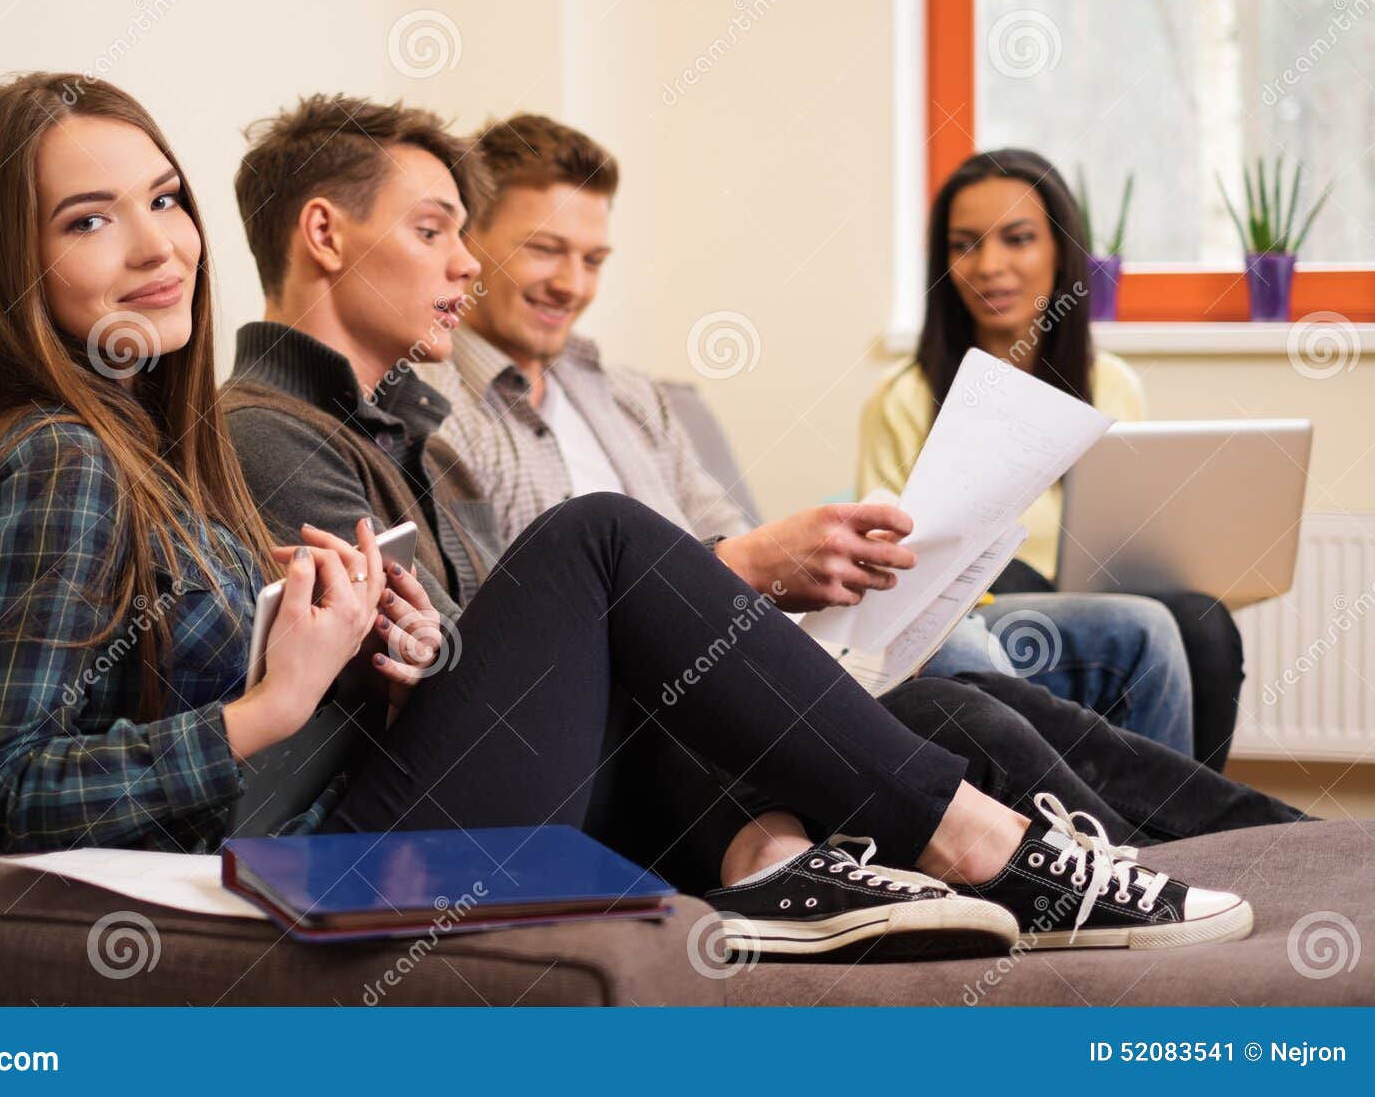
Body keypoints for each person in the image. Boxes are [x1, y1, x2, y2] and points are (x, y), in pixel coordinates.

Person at [220, 92, 1290, 952]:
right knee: (604, 534)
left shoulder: (383, 424)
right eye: (434, 231)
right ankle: (966, 846)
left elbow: (445, 650)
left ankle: (1249, 858)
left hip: (496, 774)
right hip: (369, 842)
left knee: (959, 708)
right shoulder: (273, 431)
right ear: (325, 232)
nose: (466, 264)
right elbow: (428, 681)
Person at [421, 113, 1191, 754]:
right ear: (468, 245)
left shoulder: (629, 397)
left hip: (755, 637)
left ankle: (1164, 850)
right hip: (655, 692)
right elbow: (512, 618)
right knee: (955, 654)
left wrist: (804, 566)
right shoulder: (444, 410)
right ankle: (1136, 851)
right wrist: (751, 568)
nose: (573, 284)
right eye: (545, 250)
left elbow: (727, 531)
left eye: (593, 258)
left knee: (1146, 631)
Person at [858, 148, 1245, 770]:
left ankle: (1187, 824)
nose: (989, 266)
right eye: (965, 244)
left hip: (1102, 603)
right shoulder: (903, 400)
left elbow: (1133, 539)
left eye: (1017, 239)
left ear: (1061, 250)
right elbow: (893, 575)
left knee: (1201, 619)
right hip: (987, 618)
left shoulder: (1110, 384)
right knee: (1005, 570)